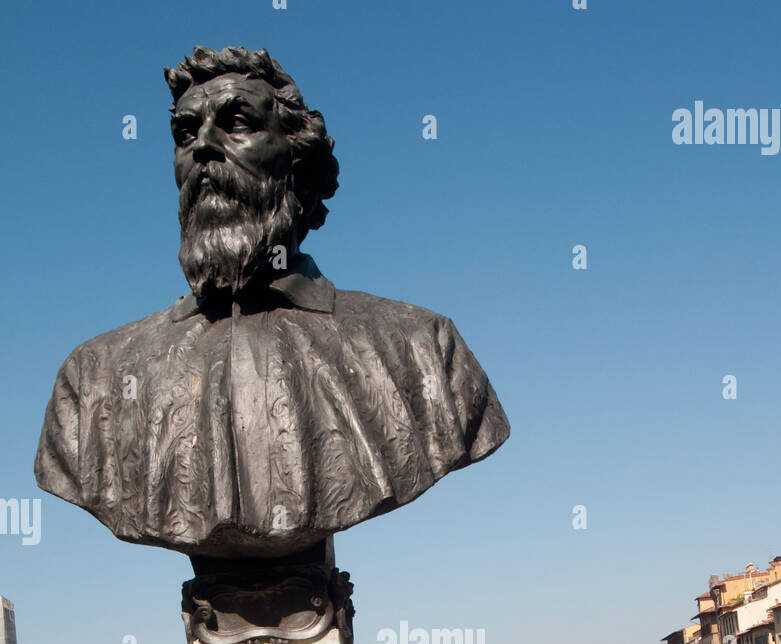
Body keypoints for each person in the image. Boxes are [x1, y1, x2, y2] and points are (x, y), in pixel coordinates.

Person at [35, 47, 509, 561]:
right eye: (186, 134)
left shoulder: (420, 346)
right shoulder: (94, 376)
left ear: (297, 159)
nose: (204, 149)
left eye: (236, 124)